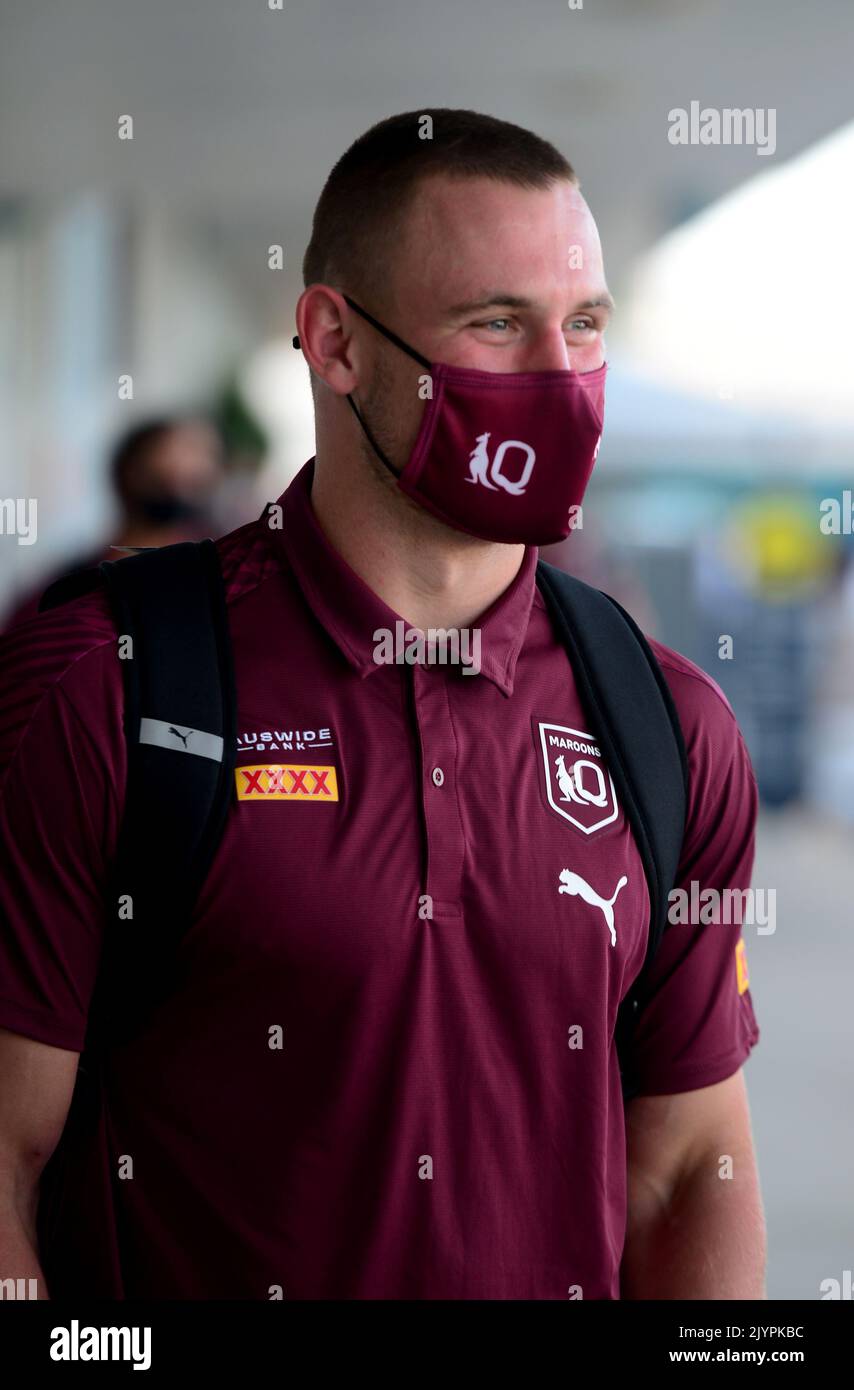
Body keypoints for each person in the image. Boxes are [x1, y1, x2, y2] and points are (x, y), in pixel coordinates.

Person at [0, 108, 764, 1300]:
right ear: (333, 342)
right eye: (496, 324)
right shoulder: (105, 687)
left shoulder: (666, 726)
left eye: (583, 327)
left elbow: (687, 1164)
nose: (560, 381)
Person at [1, 416, 224, 632]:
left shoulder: (210, 581)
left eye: (199, 457)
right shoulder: (66, 589)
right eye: (172, 458)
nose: (191, 467)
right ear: (128, 473)